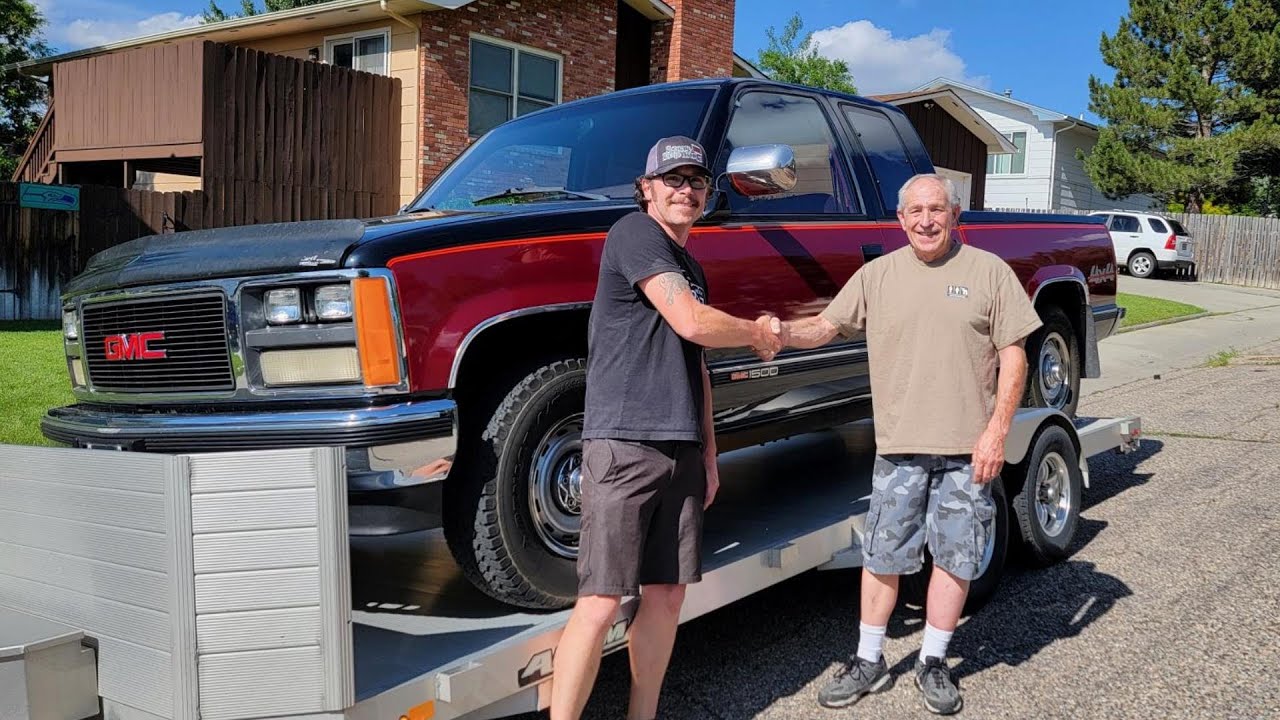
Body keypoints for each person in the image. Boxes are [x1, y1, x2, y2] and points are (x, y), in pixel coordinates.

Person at [775, 173, 1043, 716]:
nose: (926, 220)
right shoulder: (877, 276)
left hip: (968, 451)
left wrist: (997, 431)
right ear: (900, 219)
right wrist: (775, 333)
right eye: (915, 211)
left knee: (956, 556)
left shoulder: (989, 272)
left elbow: (1014, 356)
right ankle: (869, 660)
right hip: (899, 448)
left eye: (936, 209)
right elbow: (825, 327)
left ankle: (934, 661)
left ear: (955, 215)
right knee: (882, 555)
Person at [549, 136, 783, 720]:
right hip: (625, 443)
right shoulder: (634, 233)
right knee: (601, 600)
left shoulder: (691, 266)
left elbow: (694, 362)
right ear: (646, 189)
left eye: (696, 181)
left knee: (667, 594)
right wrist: (758, 333)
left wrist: (709, 454)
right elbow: (691, 321)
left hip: (681, 446)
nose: (686, 190)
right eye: (672, 180)